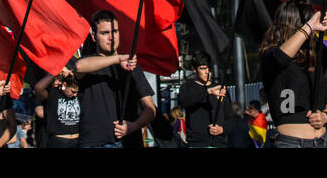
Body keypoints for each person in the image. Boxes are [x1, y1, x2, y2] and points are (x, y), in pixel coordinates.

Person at [258, 0, 327, 148]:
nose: (313, 29)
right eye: (308, 23)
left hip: (322, 141)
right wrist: (310, 25)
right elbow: (281, 58)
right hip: (291, 142)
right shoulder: (270, 56)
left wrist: (325, 116)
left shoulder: (312, 60)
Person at [71, 10, 157, 148]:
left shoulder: (132, 66)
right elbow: (79, 67)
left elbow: (150, 109)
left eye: (115, 32)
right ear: (94, 36)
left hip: (129, 141)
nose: (111, 37)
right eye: (105, 33)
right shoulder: (88, 62)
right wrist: (118, 59)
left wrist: (134, 126)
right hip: (96, 143)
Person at [177, 54, 228, 148]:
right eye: (203, 68)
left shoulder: (220, 88)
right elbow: (184, 102)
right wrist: (208, 91)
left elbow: (231, 117)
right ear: (194, 69)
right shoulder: (187, 87)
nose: (207, 72)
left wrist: (222, 129)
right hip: (196, 144)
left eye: (209, 68)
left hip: (219, 143)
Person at [34, 65, 81, 148]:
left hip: (77, 140)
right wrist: (54, 72)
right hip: (58, 141)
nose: (75, 95)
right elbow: (38, 88)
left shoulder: (78, 96)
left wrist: (71, 72)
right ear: (64, 85)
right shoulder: (53, 94)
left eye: (76, 92)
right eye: (73, 91)